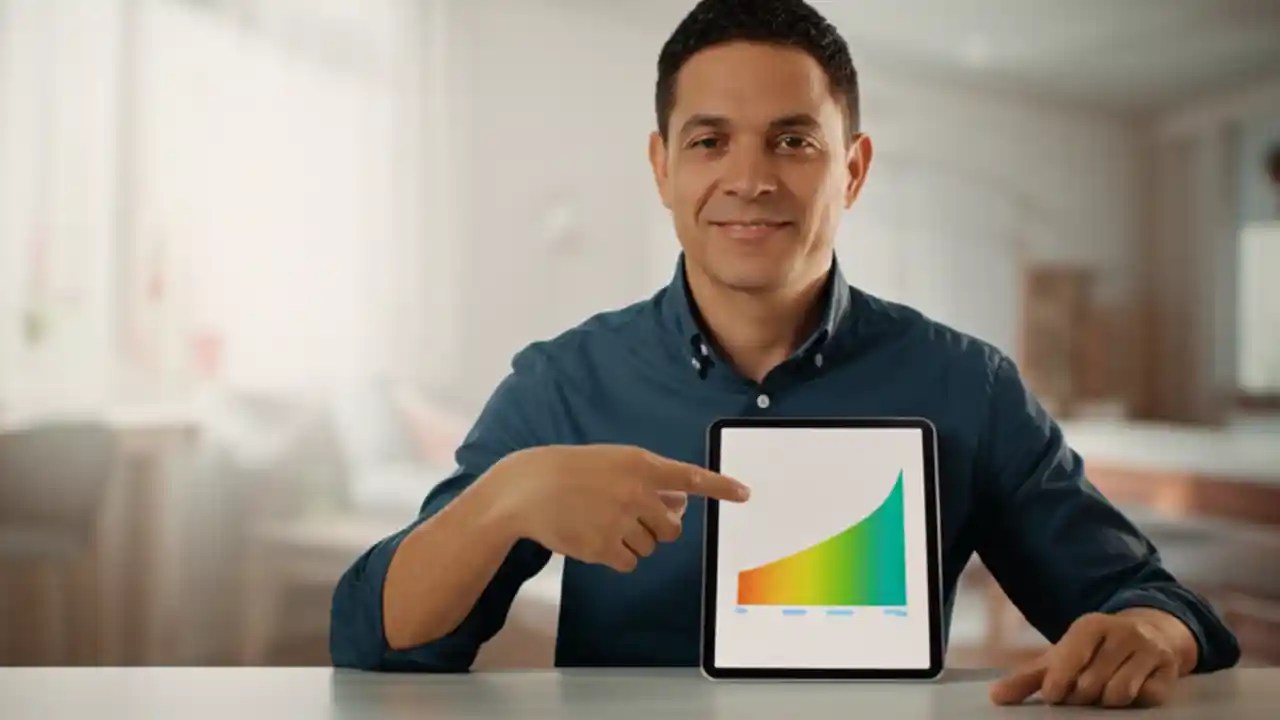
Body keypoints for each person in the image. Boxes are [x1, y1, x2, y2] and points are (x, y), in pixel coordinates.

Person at [330, 0, 1239, 707]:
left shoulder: (970, 386)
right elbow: (378, 648)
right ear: (662, 168)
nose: (752, 177)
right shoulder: (562, 384)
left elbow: (1145, 598)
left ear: (852, 169)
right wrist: (504, 500)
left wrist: (1153, 633)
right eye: (709, 141)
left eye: (795, 141)